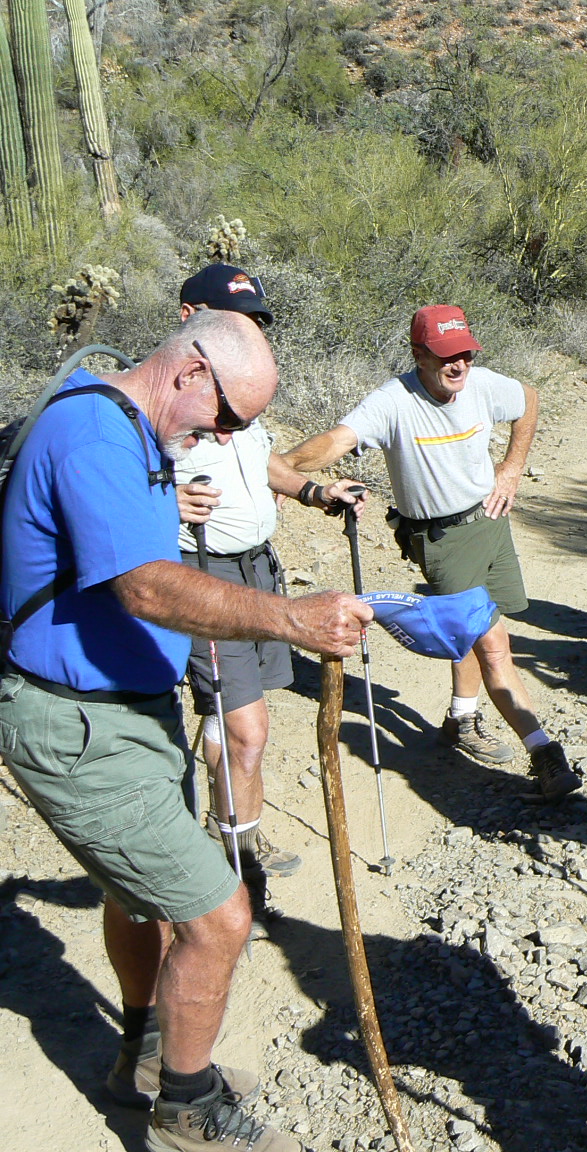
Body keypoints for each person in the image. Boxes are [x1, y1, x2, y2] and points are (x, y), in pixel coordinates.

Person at [0, 309, 370, 1152]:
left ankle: (145, 1056)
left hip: (125, 713)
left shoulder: (125, 421)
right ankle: (187, 1109)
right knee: (220, 917)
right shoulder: (97, 436)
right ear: (190, 372)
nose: (225, 437)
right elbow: (147, 588)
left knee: (142, 898)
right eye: (228, 417)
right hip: (79, 726)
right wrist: (291, 620)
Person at [282, 304, 582, 800]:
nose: (459, 364)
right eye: (446, 355)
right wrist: (287, 472)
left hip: (489, 520)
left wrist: (511, 469)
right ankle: (545, 754)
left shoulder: (482, 384)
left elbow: (528, 399)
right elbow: (338, 440)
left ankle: (461, 719)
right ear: (418, 353)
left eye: (464, 352)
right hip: (441, 539)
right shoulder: (394, 401)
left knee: (474, 630)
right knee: (493, 645)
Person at [172, 264, 366, 933]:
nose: (248, 330)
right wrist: (164, 497)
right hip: (202, 574)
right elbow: (109, 482)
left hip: (260, 570)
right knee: (241, 731)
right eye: (236, 319)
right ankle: (232, 873)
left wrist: (314, 491)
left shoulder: (235, 385)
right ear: (189, 315)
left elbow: (260, 458)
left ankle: (238, 836)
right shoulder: (163, 397)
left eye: (255, 320)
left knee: (245, 728)